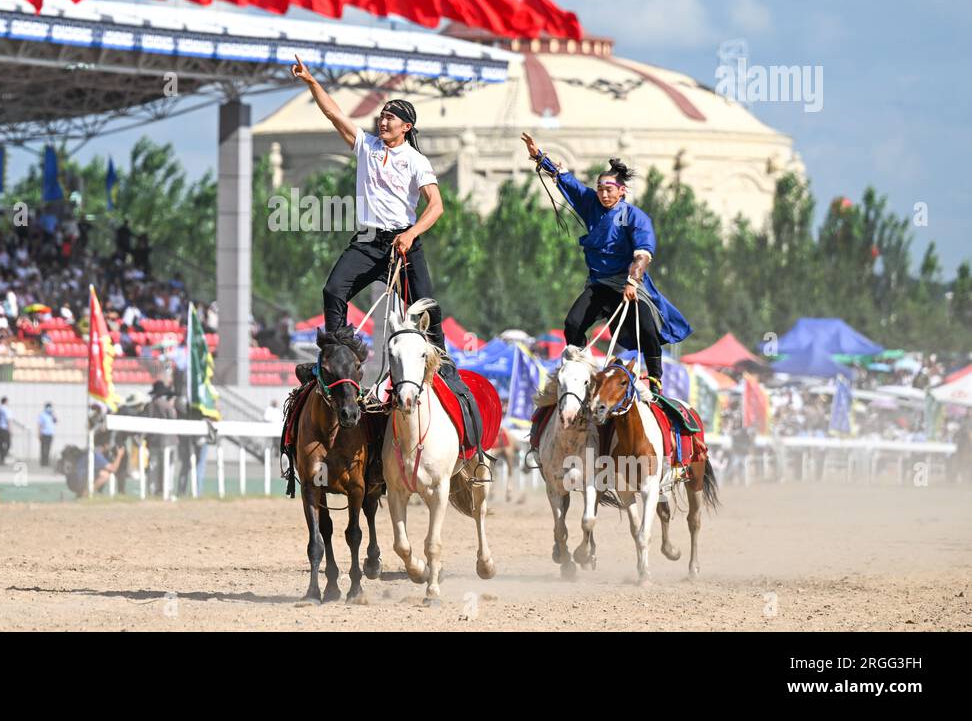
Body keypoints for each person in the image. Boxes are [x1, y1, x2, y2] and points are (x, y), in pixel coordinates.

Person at [290, 54, 482, 464]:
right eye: (381, 116)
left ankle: (443, 368)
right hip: (367, 241)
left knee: (426, 308)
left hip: (404, 242)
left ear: (406, 127)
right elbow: (335, 115)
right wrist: (311, 82)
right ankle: (337, 355)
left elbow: (436, 206)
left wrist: (412, 234)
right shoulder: (366, 144)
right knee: (333, 289)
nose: (383, 121)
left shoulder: (417, 160)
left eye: (391, 118)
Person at [524, 137, 693, 401]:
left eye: (609, 189)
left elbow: (643, 253)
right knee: (573, 324)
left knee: (648, 328)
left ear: (622, 190)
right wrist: (539, 157)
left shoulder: (635, 216)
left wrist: (633, 280)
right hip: (600, 285)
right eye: (600, 188)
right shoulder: (591, 204)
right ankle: (580, 372)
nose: (604, 193)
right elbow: (568, 182)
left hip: (629, 285)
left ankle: (655, 379)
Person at [68, 430, 126, 497]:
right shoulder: (97, 454)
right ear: (105, 444)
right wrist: (119, 455)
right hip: (77, 480)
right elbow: (113, 469)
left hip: (75, 477)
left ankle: (84, 494)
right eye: (109, 443)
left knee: (103, 472)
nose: (111, 445)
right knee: (105, 475)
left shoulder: (94, 451)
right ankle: (85, 495)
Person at [37, 401, 57, 467]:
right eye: (48, 407)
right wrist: (39, 433)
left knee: (48, 448)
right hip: (44, 434)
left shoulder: (51, 415)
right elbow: (39, 425)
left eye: (50, 407)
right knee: (43, 448)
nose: (49, 409)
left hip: (50, 434)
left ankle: (47, 462)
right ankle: (43, 462)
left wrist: (53, 414)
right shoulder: (42, 415)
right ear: (45, 408)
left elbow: (55, 421)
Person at [0, 396, 12, 463]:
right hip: (4, 428)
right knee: (8, 443)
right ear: (5, 401)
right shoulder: (6, 409)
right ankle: (4, 455)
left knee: (1, 442)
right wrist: (10, 429)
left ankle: (1, 457)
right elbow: (8, 420)